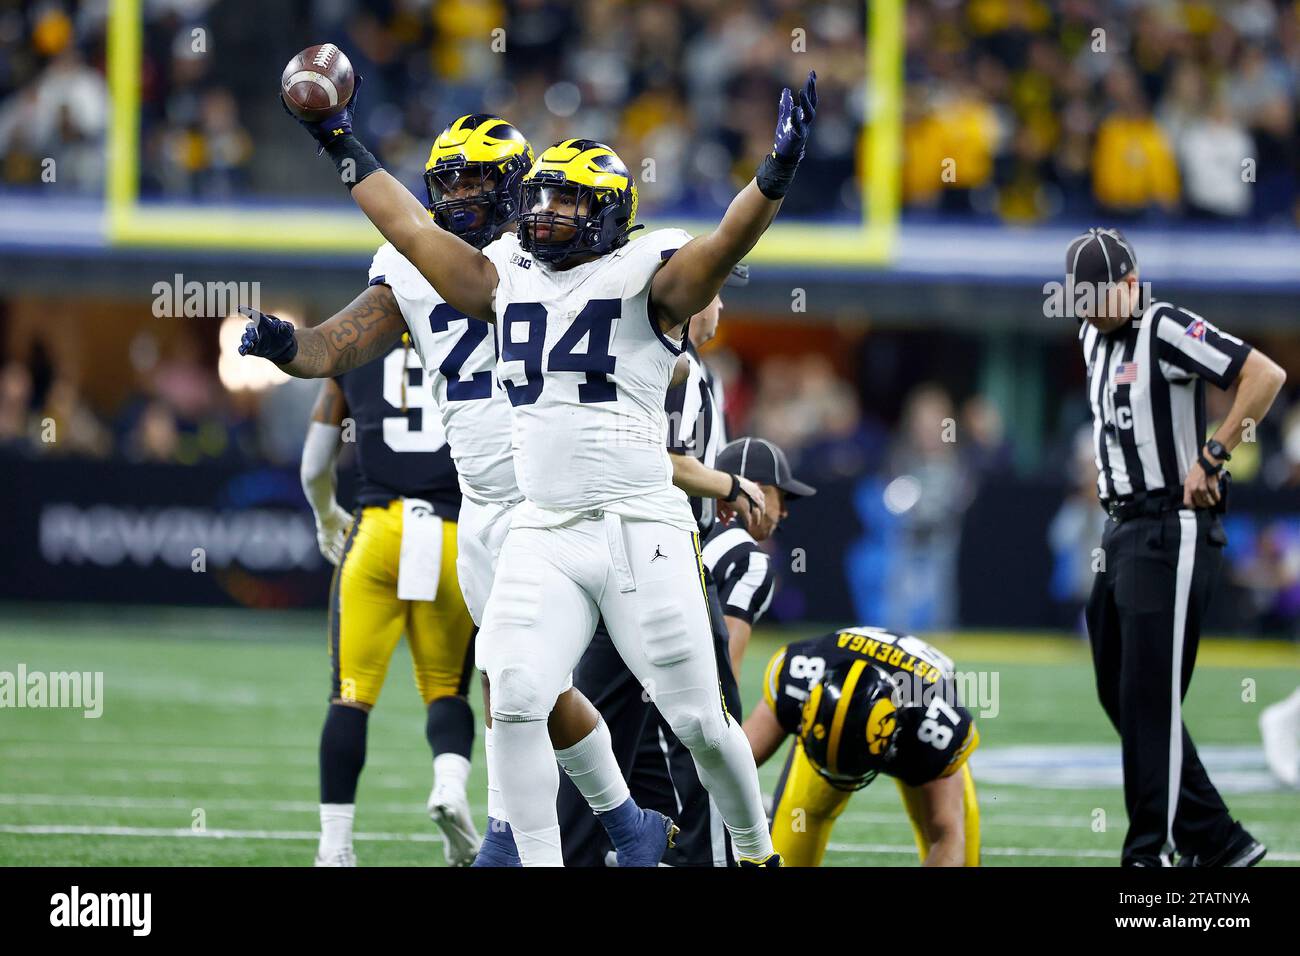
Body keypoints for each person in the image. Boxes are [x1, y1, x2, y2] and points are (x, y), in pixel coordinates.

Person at [285, 67, 820, 866]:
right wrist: (339, 141)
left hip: (640, 524)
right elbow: (409, 229)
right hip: (543, 527)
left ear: (608, 214)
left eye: (568, 199)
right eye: (541, 197)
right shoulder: (507, 278)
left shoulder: (647, 272)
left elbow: (722, 246)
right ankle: (534, 859)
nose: (547, 213)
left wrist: (773, 173)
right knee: (516, 690)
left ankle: (754, 853)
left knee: (702, 721)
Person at [241, 114, 673, 867]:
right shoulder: (412, 262)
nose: (463, 192)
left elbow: (645, 290)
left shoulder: (550, 257)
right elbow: (336, 346)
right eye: (450, 179)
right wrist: (287, 346)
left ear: (515, 186)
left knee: (522, 688)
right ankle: (627, 823)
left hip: (555, 505)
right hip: (477, 505)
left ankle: (512, 837)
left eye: (478, 177)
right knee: (521, 686)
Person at [1068, 226, 1286, 866]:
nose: (1091, 308)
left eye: (1101, 295)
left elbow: (1263, 376)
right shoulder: (1090, 334)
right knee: (1119, 686)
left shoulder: (1163, 325)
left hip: (1171, 524)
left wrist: (1216, 455)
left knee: (1150, 699)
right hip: (1121, 529)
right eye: (1081, 298)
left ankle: (1148, 855)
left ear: (1131, 283)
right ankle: (1218, 840)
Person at [744, 625, 980, 867]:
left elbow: (946, 838)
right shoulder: (797, 677)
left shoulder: (934, 727)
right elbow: (729, 761)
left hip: (918, 710)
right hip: (834, 713)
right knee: (800, 824)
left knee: (959, 850)